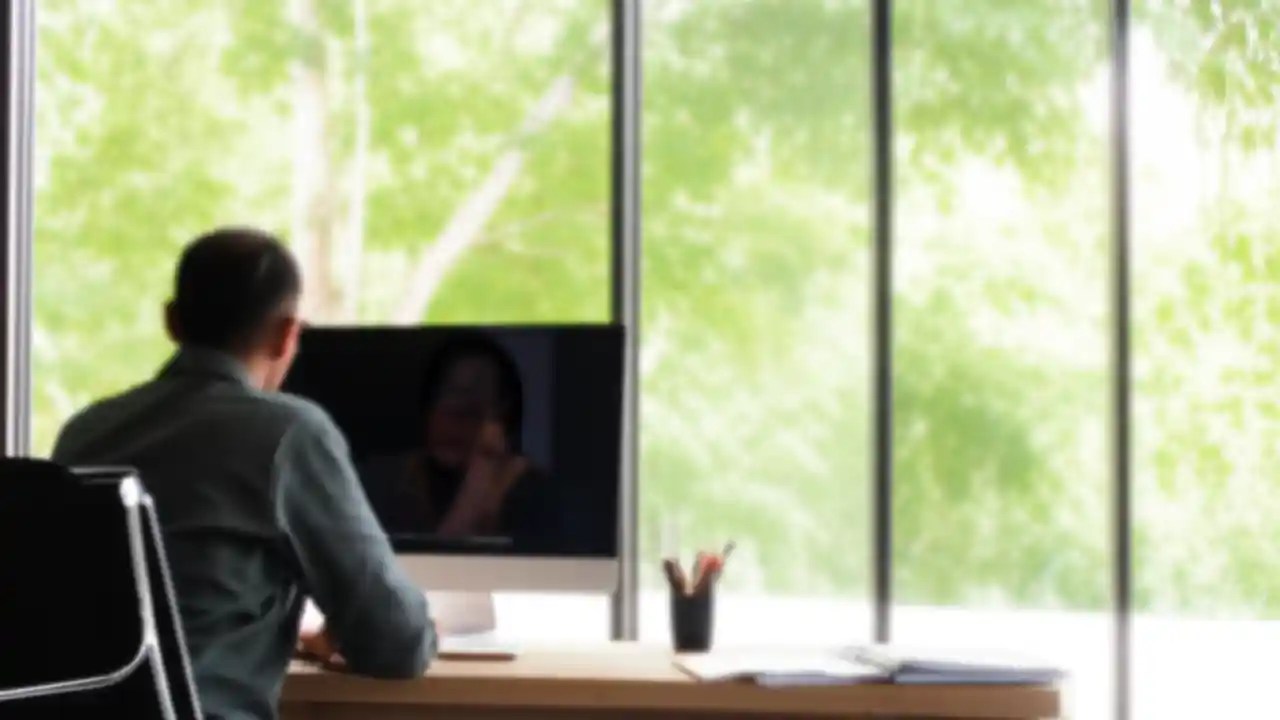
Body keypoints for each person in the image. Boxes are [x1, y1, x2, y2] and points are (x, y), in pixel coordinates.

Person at [51, 228, 435, 720]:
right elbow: (398, 644)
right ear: (287, 334)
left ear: (172, 321)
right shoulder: (289, 433)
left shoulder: (83, 432)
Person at [361, 333, 561, 549]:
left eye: (471, 410)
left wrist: (485, 468)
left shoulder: (531, 494)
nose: (454, 424)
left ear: (502, 420)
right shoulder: (384, 482)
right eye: (445, 401)